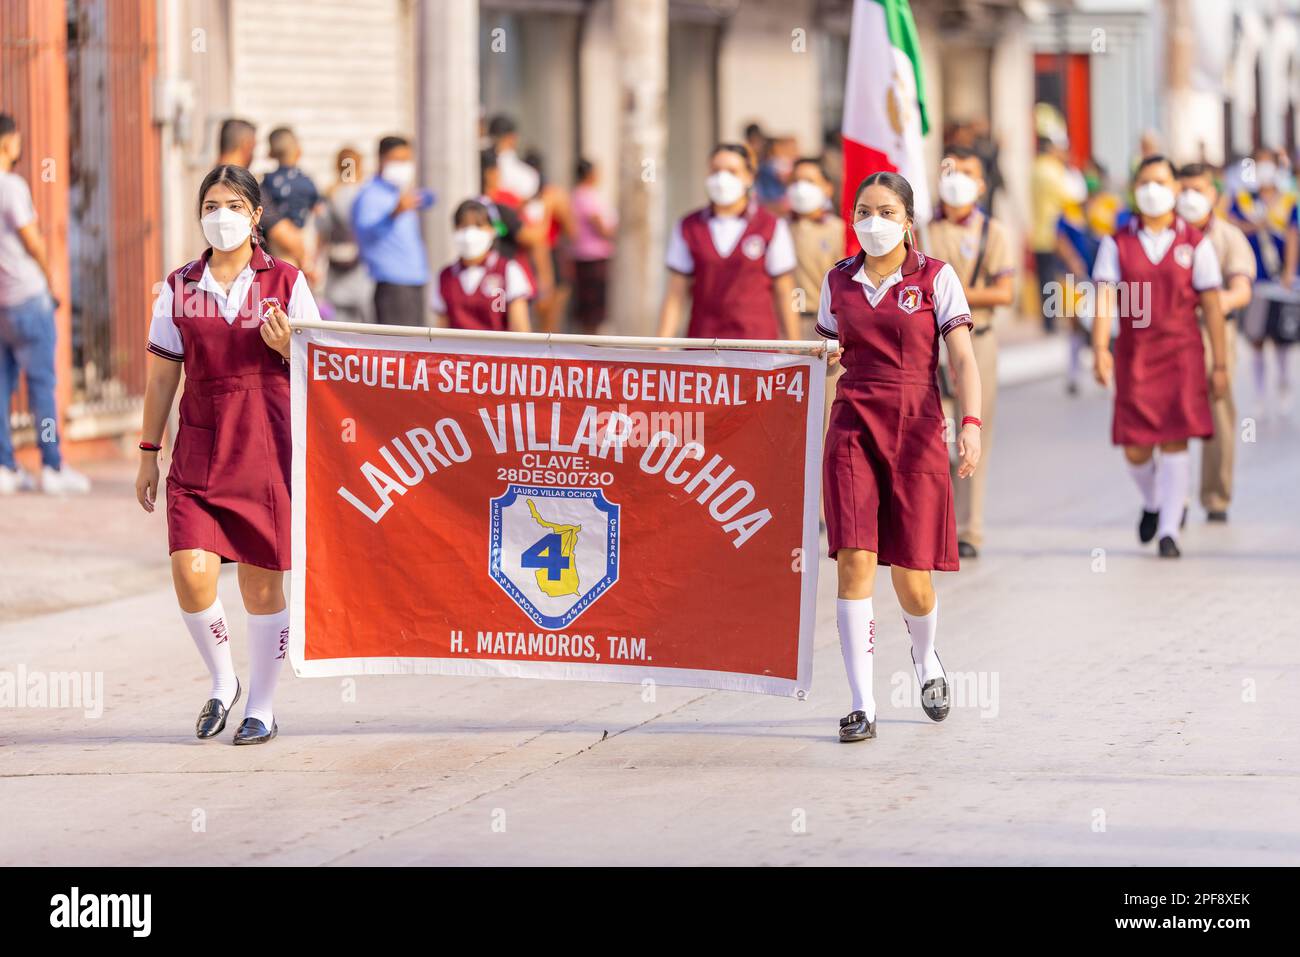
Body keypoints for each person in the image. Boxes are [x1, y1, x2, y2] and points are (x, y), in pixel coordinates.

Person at [135, 164, 321, 744]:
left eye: (235, 206)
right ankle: (223, 681)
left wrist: (292, 347)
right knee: (191, 573)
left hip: (266, 443)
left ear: (256, 215)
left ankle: (261, 706)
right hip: (200, 442)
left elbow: (326, 373)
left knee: (263, 585)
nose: (222, 217)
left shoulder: (287, 282)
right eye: (212, 205)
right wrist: (148, 452)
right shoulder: (179, 286)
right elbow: (162, 378)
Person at [816, 171, 983, 743]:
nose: (874, 222)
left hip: (917, 429)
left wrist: (972, 424)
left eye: (887, 212)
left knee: (913, 578)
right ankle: (862, 704)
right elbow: (826, 357)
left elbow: (961, 358)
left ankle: (926, 655)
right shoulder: (837, 281)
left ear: (909, 221)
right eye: (864, 211)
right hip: (852, 429)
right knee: (854, 561)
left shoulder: (937, 278)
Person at [1091, 155, 1229, 559]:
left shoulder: (1194, 244)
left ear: (1174, 190)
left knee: (1175, 440)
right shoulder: (1117, 242)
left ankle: (1169, 530)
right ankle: (1153, 499)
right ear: (1135, 189)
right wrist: (1100, 349)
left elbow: (1213, 307)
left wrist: (1219, 364)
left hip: (1182, 352)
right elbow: (1104, 299)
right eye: (1145, 182)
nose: (1153, 189)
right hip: (1135, 355)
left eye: (1161, 182)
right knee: (1136, 446)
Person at [925, 145, 1016, 559]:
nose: (956, 179)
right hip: (929, 342)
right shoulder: (924, 231)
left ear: (981, 184)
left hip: (977, 340)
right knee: (935, 432)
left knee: (973, 430)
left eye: (966, 172)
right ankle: (933, 519)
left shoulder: (992, 232)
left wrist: (953, 294)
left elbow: (1005, 291)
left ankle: (968, 528)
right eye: (950, 171)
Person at [0, 112, 90, 495]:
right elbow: (32, 239)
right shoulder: (12, 186)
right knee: (42, 386)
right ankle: (51, 466)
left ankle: (5, 467)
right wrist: (51, 281)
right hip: (28, 298)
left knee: (2, 387)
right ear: (7, 142)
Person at [1176, 163, 1256, 522]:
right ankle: (1172, 498)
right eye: (1184, 189)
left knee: (1219, 409)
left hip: (1213, 333)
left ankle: (1216, 496)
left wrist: (1213, 302)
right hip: (1172, 333)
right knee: (1168, 413)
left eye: (1198, 190)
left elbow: (1242, 289)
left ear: (1215, 195)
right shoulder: (1166, 234)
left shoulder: (1228, 237)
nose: (1190, 197)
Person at [656, 143, 800, 342]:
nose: (722, 179)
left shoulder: (771, 226)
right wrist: (661, 345)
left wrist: (796, 344)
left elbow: (785, 291)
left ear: (749, 177)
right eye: (715, 171)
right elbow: (676, 293)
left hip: (757, 346)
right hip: (702, 344)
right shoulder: (688, 226)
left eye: (732, 171)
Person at [1229, 147, 1299, 412]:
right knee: (1257, 337)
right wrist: (1255, 225)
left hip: (1280, 279)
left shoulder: (1289, 200)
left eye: (1268, 164)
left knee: (1281, 336)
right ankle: (1260, 395)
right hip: (1253, 276)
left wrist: (1289, 273)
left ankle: (1283, 383)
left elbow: (1294, 235)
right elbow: (1232, 225)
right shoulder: (1244, 199)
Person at [351, 135, 435, 326]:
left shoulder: (399, 191)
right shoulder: (370, 195)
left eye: (407, 160)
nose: (404, 166)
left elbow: (431, 198)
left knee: (418, 347)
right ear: (381, 159)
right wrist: (393, 213)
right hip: (391, 282)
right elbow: (365, 235)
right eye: (398, 160)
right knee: (399, 348)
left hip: (414, 279)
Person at [217, 118, 314, 282]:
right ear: (246, 144)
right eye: (254, 147)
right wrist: (308, 264)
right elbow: (284, 235)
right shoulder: (242, 184)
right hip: (247, 281)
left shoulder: (209, 184)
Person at [430, 200, 531, 332]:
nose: (469, 234)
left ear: (492, 230)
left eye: (478, 225)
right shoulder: (445, 276)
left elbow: (521, 330)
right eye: (463, 226)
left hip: (495, 351)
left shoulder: (508, 270)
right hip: (456, 352)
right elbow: (440, 333)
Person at [316, 147, 374, 323]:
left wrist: (315, 262)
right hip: (362, 264)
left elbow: (322, 232)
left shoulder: (329, 194)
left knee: (337, 320)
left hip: (336, 261)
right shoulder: (365, 193)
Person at [569, 158, 616, 333]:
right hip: (592, 258)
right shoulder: (586, 196)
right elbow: (602, 227)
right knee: (592, 308)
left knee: (591, 307)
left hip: (587, 256)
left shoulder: (578, 195)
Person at [1031, 135, 1072, 332]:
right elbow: (1069, 196)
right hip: (1055, 234)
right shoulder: (1053, 170)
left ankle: (1049, 321)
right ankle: (1057, 320)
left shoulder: (1036, 168)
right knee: (1057, 278)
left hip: (1039, 233)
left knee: (1044, 280)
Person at [262, 127, 320, 229]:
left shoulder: (268, 181)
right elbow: (318, 209)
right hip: (302, 236)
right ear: (298, 151)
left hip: (276, 237)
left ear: (271, 153)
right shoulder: (306, 181)